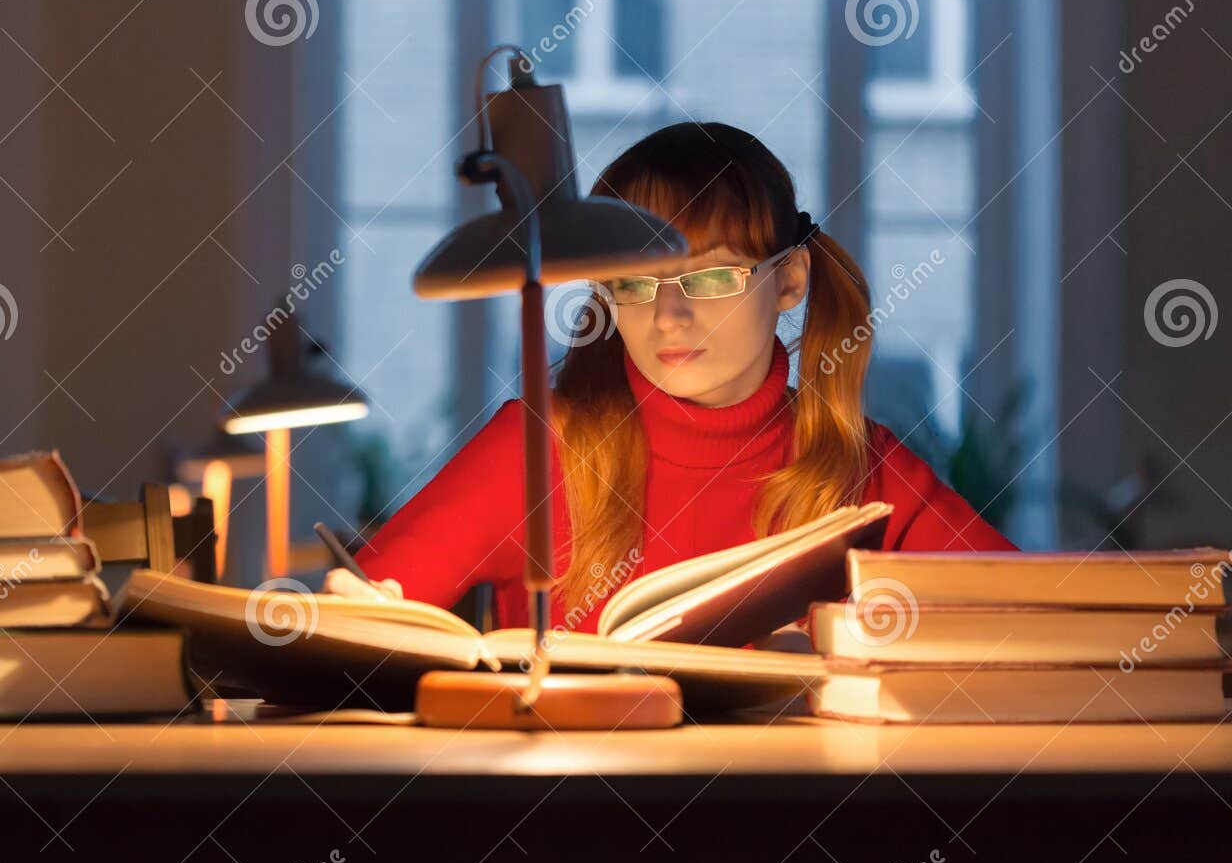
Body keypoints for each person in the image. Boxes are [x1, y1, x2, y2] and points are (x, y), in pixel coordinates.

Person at [326, 121, 1016, 633]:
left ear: (789, 281)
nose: (669, 315)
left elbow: (1035, 613)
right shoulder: (538, 447)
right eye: (634, 280)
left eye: (712, 276)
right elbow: (351, 625)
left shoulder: (858, 466)